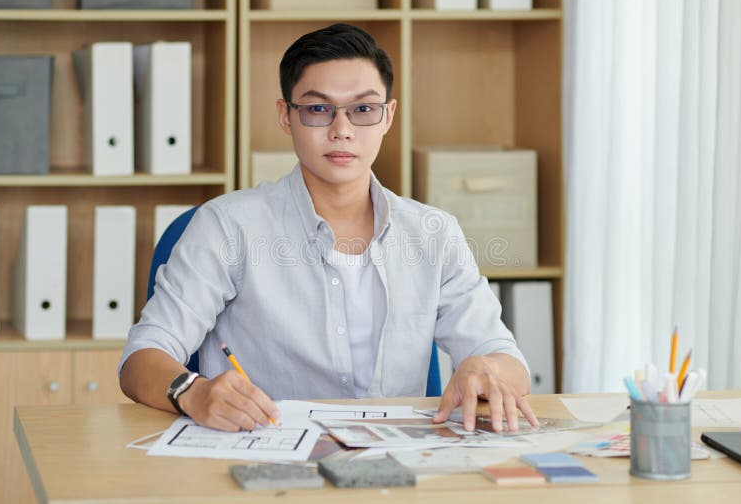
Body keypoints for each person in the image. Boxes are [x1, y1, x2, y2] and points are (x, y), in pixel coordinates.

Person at [119, 23, 538, 434]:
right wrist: (193, 391)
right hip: (265, 458)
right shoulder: (228, 227)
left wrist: (486, 369)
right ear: (286, 116)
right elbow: (142, 358)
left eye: (363, 109)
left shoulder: (433, 234)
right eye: (318, 109)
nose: (342, 130)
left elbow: (506, 361)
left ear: (388, 116)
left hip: (396, 467)